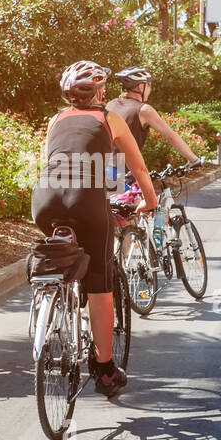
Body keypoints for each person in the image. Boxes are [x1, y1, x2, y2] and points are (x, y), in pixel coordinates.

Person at [32, 61, 158, 398]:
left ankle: (57, 298)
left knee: (62, 253)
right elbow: (136, 165)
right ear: (100, 92)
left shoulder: (55, 120)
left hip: (44, 199)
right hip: (86, 200)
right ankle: (103, 369)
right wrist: (149, 199)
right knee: (100, 282)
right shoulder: (110, 118)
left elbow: (56, 160)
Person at [105, 67, 200, 174]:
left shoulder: (110, 104)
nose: (150, 89)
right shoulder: (144, 110)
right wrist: (194, 160)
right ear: (141, 86)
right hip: (121, 173)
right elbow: (171, 136)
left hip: (101, 169)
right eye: (149, 85)